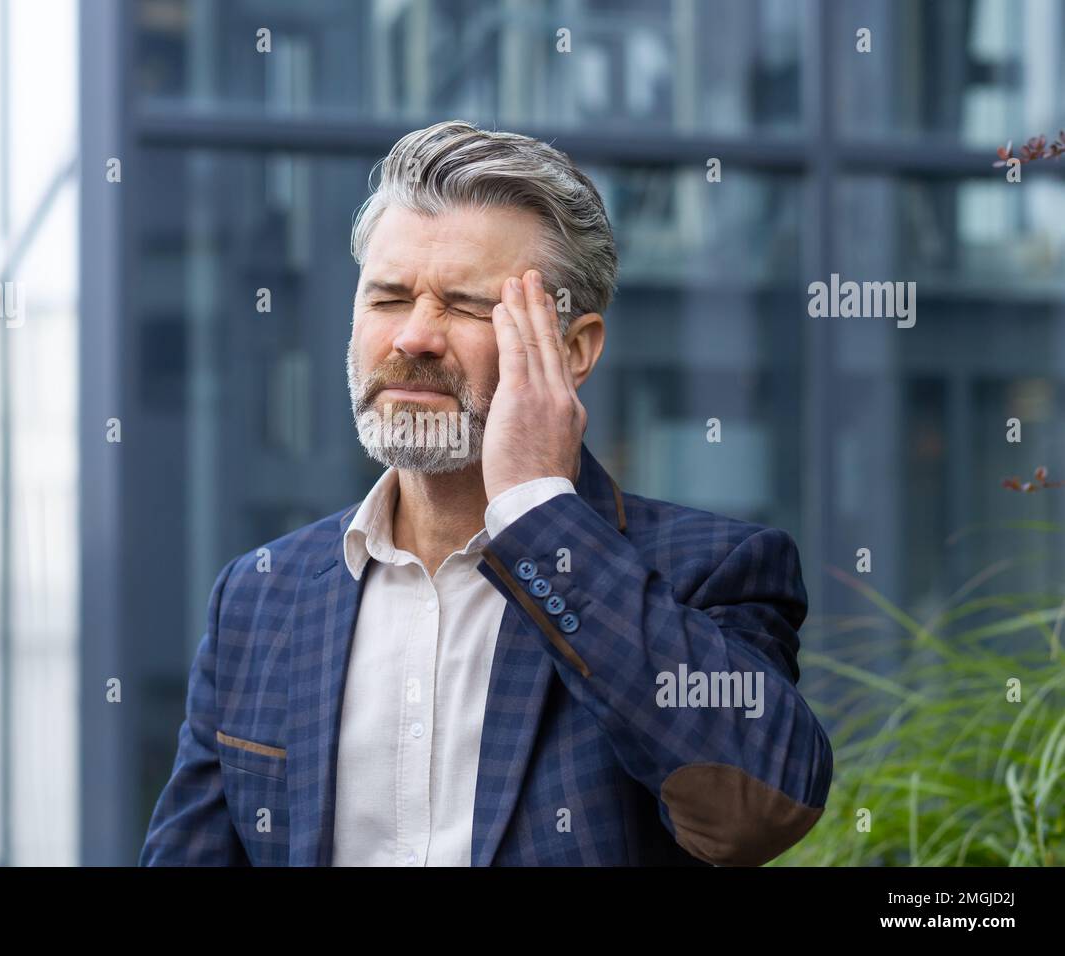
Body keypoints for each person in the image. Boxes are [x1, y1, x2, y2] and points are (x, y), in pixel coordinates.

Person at [139, 120, 832, 866]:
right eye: (388, 298)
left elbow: (759, 808)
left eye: (466, 305)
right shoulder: (258, 598)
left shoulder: (713, 573)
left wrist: (537, 509)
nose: (414, 337)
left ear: (572, 350)